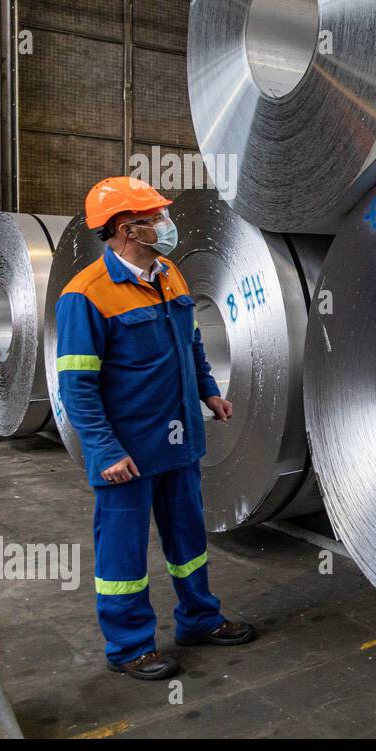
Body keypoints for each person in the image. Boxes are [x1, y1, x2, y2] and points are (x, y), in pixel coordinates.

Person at [54, 177, 254, 681]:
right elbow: (77, 385)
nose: (167, 226)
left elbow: (191, 344)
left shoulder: (171, 276)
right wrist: (103, 449)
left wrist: (209, 390)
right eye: (156, 218)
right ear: (127, 229)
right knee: (123, 554)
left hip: (179, 440)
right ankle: (129, 646)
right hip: (127, 452)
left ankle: (199, 619)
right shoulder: (86, 296)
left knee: (188, 541)